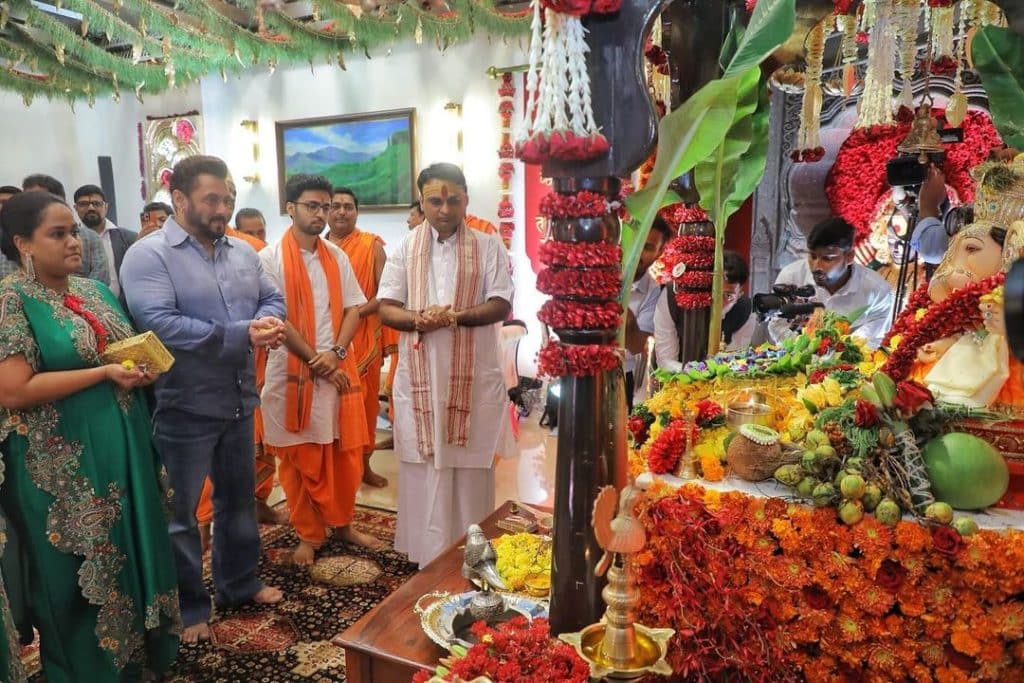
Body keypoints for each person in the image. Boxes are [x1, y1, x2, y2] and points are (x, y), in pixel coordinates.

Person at [0, 191, 180, 679]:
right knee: (78, 575)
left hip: (121, 447)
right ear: (23, 243)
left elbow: (117, 349)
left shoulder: (93, 290)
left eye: (74, 232)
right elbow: (13, 390)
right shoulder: (11, 300)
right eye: (57, 234)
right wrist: (103, 374)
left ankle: (140, 660)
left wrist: (138, 367)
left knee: (132, 548)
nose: (73, 242)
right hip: (62, 467)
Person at [120, 155, 286, 643]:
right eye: (212, 199)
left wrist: (268, 321)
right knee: (181, 514)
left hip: (238, 398)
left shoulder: (242, 252)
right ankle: (189, 608)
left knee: (239, 501)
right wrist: (241, 334)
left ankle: (240, 583)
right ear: (179, 199)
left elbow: (273, 298)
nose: (223, 208)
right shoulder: (149, 255)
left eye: (228, 199)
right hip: (181, 405)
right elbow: (159, 323)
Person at [378, 162, 514, 568]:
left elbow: (501, 303)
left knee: (469, 470)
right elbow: (387, 307)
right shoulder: (405, 248)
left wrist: (454, 317)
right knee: (425, 469)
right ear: (422, 202)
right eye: (435, 201)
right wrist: (420, 319)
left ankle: (470, 553)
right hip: (421, 377)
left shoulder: (488, 245)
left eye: (453, 200)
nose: (444, 209)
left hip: (472, 378)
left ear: (466, 199)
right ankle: (427, 557)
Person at [260, 174, 384, 565]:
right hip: (290, 373)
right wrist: (318, 360)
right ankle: (308, 535)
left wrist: (337, 352)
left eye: (325, 206)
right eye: (312, 206)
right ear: (290, 208)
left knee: (343, 456)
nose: (321, 213)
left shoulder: (337, 256)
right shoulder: (269, 259)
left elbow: (353, 309)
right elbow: (276, 319)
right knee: (299, 461)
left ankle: (343, 523)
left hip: (337, 369)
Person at [326, 186, 389, 488]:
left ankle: (364, 466)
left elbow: (385, 293)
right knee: (329, 406)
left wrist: (354, 315)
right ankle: (334, 469)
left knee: (365, 405)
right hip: (325, 338)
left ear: (357, 211)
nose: (341, 212)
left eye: (348, 206)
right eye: (335, 206)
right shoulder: (314, 247)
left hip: (363, 337)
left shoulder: (371, 246)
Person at [769, 217, 894, 349]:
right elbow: (777, 324)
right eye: (813, 256)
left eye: (827, 258)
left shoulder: (877, 290)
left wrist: (838, 351)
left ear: (849, 257)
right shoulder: (791, 276)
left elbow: (874, 339)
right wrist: (805, 349)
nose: (816, 266)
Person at [655, 249, 755, 371]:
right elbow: (665, 360)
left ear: (739, 295)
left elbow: (733, 362)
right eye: (713, 292)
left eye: (728, 295)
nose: (717, 302)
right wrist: (696, 373)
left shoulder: (746, 311)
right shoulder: (673, 296)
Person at [22, 174, 109, 285]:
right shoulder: (15, 239)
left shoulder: (90, 237)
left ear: (59, 202)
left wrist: (71, 291)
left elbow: (101, 278)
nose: (73, 243)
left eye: (74, 233)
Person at [624, 216, 671, 409]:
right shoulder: (601, 274)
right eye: (634, 243)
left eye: (648, 247)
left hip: (621, 376)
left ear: (659, 252)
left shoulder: (654, 292)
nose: (637, 252)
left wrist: (628, 322)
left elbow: (639, 346)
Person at [73, 184, 137, 300]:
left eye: (97, 203)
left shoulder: (129, 238)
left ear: (106, 207)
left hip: (126, 307)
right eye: (84, 204)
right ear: (75, 208)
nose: (91, 208)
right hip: (86, 304)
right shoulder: (71, 241)